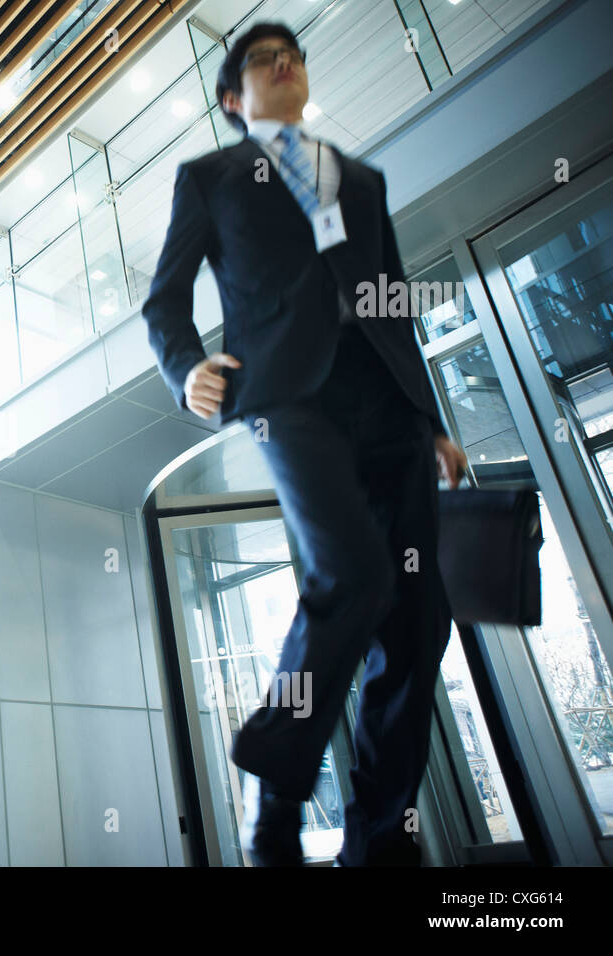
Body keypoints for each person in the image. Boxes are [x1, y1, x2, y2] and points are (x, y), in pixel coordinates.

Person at [140, 20, 469, 867]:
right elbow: (164, 302)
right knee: (352, 577)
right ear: (231, 96)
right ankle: (278, 775)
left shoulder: (361, 178)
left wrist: (432, 419)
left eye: (293, 53)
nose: (284, 62)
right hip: (287, 398)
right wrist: (186, 371)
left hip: (387, 403)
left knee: (419, 619)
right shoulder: (209, 178)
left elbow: (391, 296)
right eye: (261, 57)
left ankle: (379, 842)